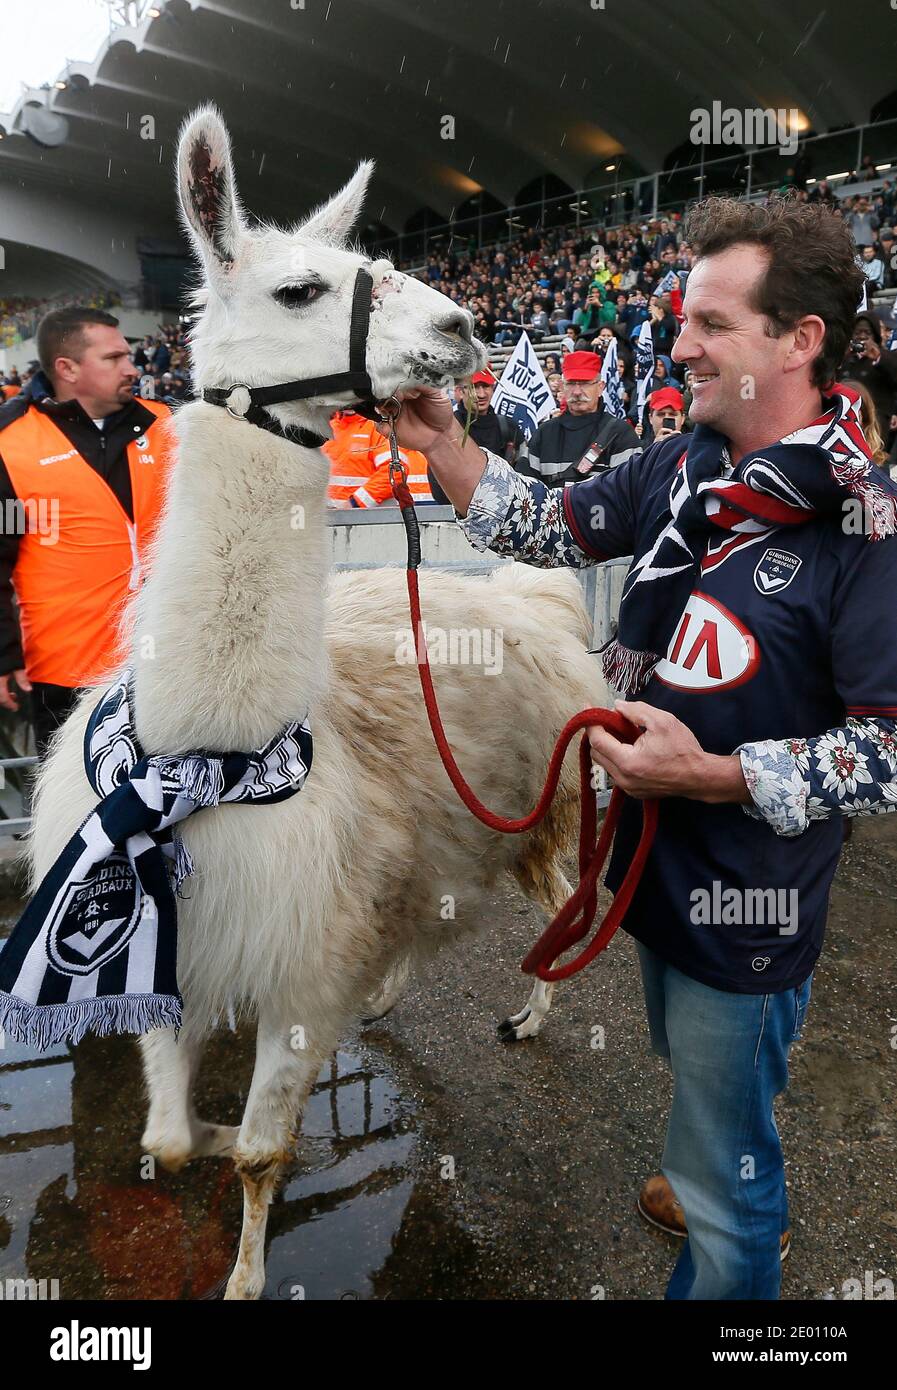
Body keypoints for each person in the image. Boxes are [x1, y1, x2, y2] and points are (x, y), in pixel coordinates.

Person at [389, 195, 897, 1301]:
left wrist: (711, 774)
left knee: (732, 1186)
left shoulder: (867, 521)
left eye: (712, 322)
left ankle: (726, 1218)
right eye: (681, 319)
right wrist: (447, 443)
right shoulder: (680, 466)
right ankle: (706, 1156)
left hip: (751, 910)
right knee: (699, 1088)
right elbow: (543, 525)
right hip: (650, 874)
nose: (678, 344)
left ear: (799, 339)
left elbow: (888, 755)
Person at [0, 307, 175, 757]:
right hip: (64, 670)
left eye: (129, 356)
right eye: (114, 358)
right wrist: (3, 655)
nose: (132, 368)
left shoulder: (166, 428)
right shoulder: (11, 442)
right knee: (75, 813)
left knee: (174, 808)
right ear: (68, 368)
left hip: (167, 661)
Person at [514, 350, 641, 485]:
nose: (577, 392)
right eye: (571, 383)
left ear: (600, 387)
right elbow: (523, 489)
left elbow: (630, 490)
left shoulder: (622, 433)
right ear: (562, 387)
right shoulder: (544, 433)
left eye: (585, 383)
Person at [324, 409, 434, 508]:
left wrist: (355, 503)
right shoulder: (328, 428)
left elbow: (394, 472)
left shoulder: (376, 428)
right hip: (330, 518)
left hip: (365, 520)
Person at [841, 310, 897, 446]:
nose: (862, 337)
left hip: (876, 425)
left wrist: (878, 358)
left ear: (875, 335)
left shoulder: (887, 357)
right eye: (858, 332)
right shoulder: (846, 359)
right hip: (847, 422)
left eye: (867, 333)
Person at [452, 368, 525, 463]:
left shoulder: (509, 427)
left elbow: (523, 467)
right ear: (461, 391)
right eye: (474, 387)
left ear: (493, 389)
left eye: (486, 386)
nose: (481, 395)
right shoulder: (449, 427)